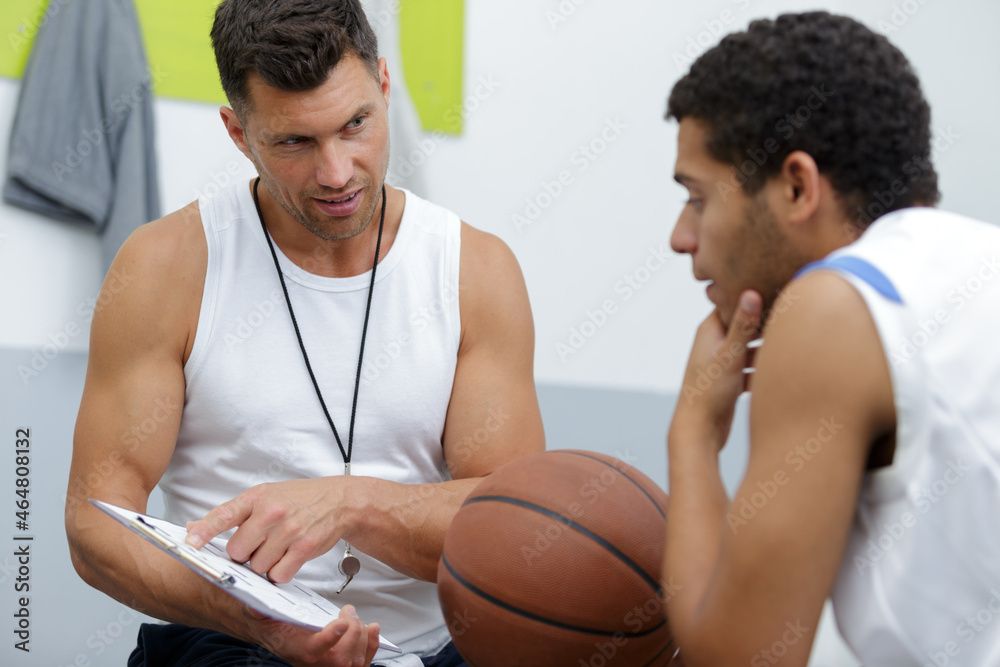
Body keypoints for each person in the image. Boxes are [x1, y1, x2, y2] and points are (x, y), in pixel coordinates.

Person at [64, 1, 545, 665]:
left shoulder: (476, 271)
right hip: (228, 639)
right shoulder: (165, 265)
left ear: (383, 84)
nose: (338, 172)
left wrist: (350, 504)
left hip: (434, 650)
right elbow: (94, 522)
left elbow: (515, 530)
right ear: (239, 132)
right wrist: (257, 618)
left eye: (356, 125)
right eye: (295, 142)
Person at [662, 11, 1000, 667]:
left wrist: (693, 436)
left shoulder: (832, 307)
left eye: (698, 198)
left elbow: (738, 658)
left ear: (796, 185)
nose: (681, 236)